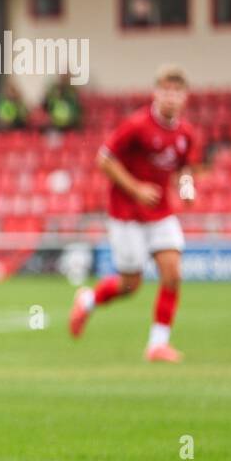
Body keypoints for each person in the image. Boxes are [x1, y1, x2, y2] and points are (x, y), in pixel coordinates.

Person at [69, 65, 197, 361]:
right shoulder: (137, 125)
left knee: (173, 271)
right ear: (156, 93)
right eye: (165, 90)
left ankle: (157, 345)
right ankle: (88, 299)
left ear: (184, 97)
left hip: (160, 212)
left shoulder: (186, 133)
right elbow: (103, 159)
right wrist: (137, 188)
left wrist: (187, 189)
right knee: (131, 285)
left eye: (177, 92)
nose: (171, 97)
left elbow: (184, 168)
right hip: (126, 213)